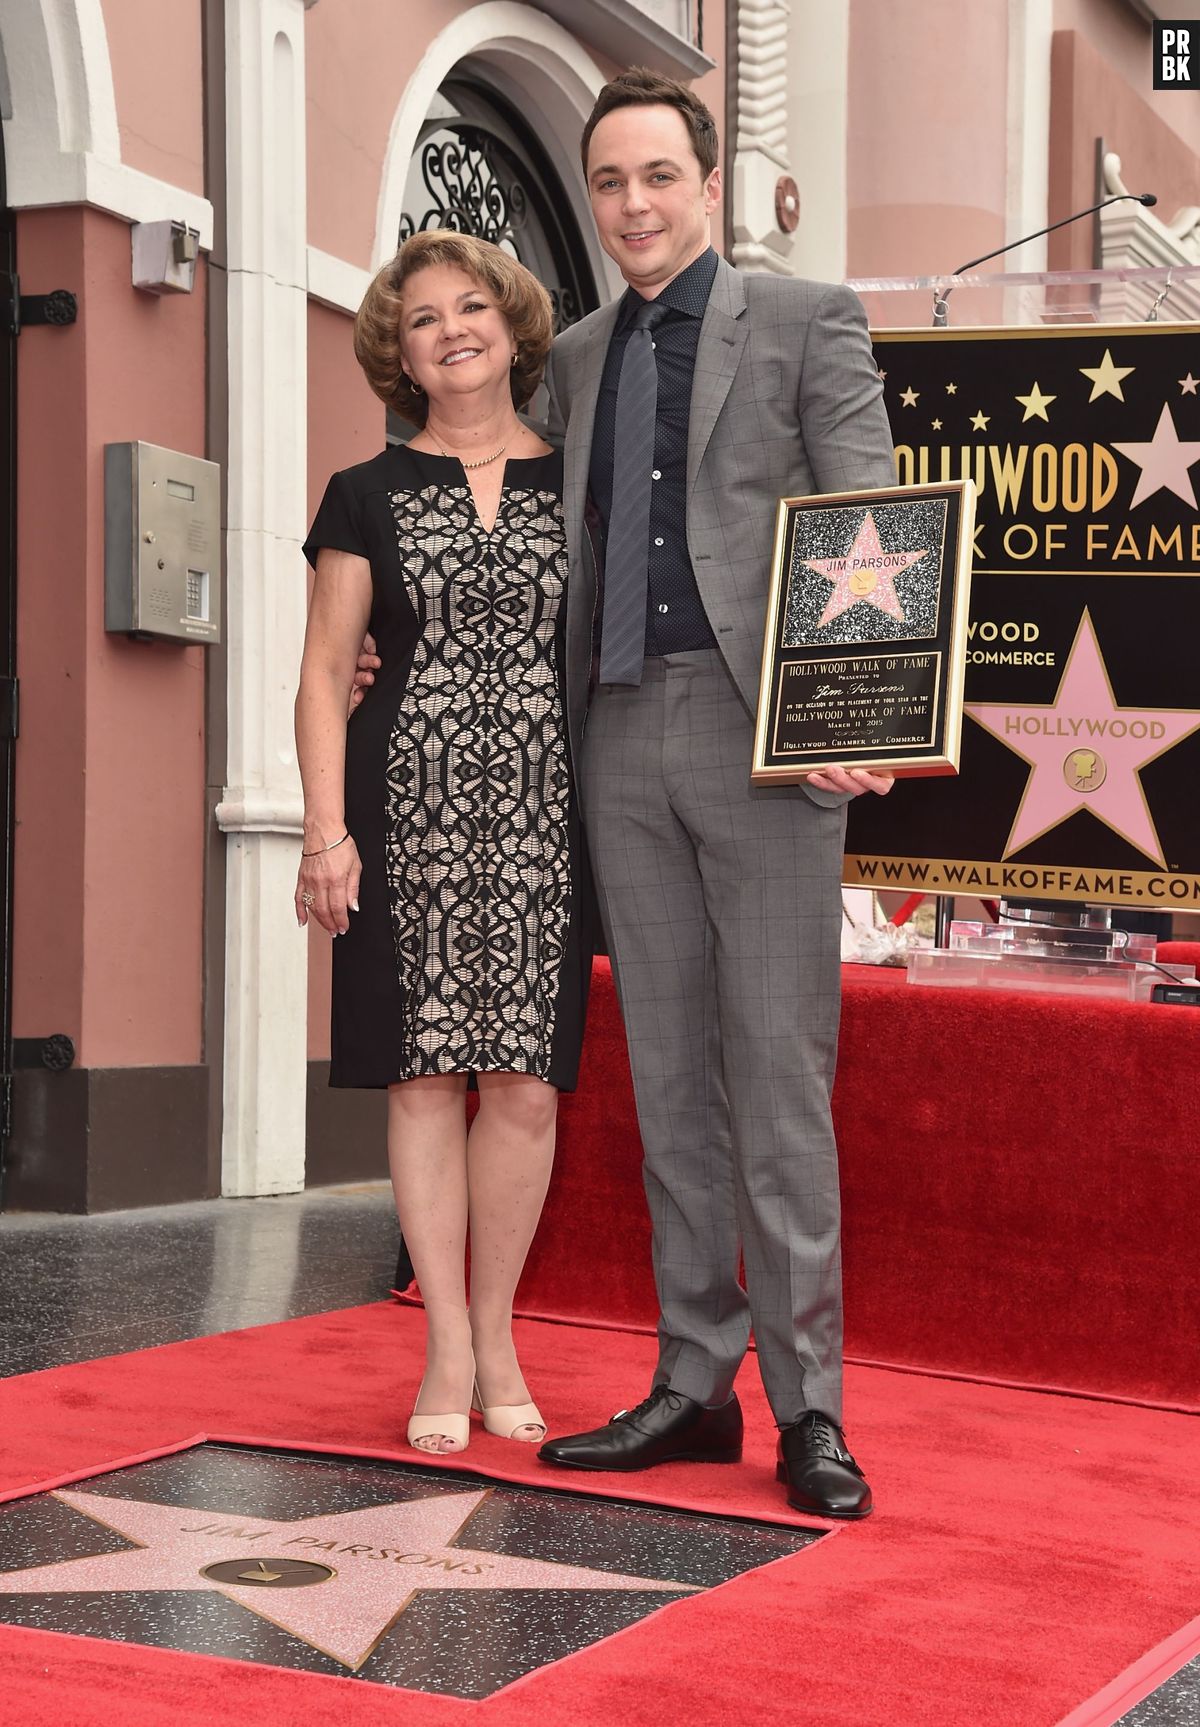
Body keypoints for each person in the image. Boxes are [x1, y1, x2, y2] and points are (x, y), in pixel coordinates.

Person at [356, 71, 896, 1518]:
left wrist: (852, 700)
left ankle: (812, 1408)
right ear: (591, 199)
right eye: (609, 182)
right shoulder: (576, 355)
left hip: (765, 740)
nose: (635, 203)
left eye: (659, 175)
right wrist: (376, 642)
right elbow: (496, 505)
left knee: (776, 1077)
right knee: (667, 1079)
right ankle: (693, 1383)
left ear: (707, 185)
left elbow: (864, 509)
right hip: (612, 737)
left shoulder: (805, 317)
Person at [296, 230, 591, 1458]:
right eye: (423, 317)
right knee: (422, 1074)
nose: (451, 328)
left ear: (515, 328)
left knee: (523, 1081)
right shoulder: (365, 492)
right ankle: (447, 1349)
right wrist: (324, 829)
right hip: (400, 810)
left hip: (547, 816)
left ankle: (502, 1331)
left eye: (473, 306)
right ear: (398, 351)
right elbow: (323, 667)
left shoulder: (582, 480)